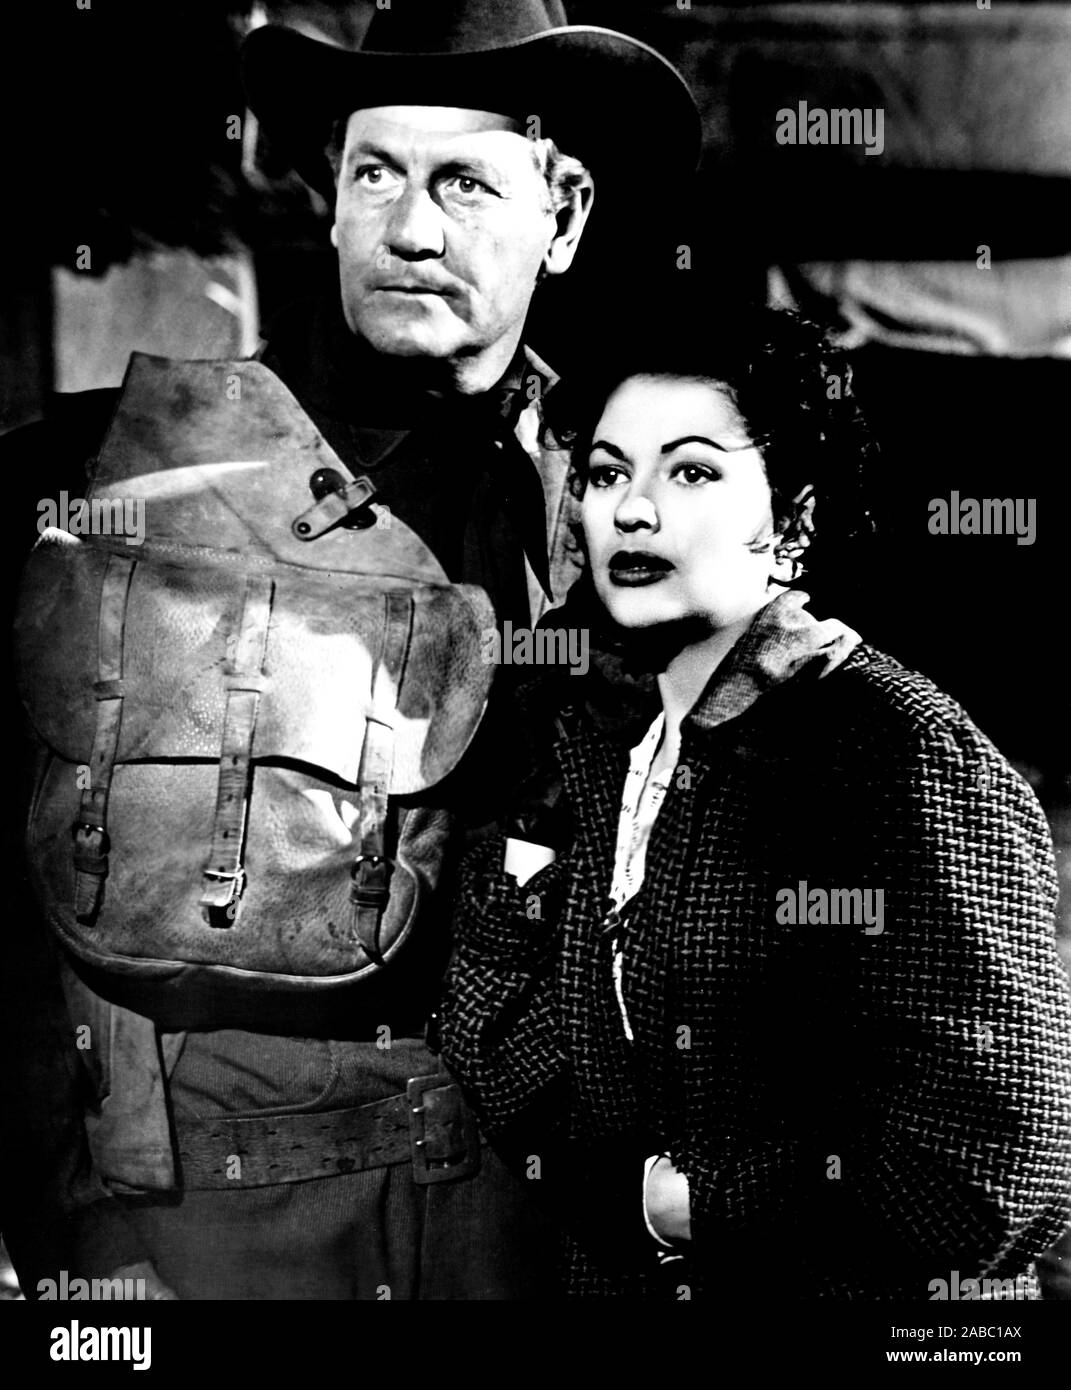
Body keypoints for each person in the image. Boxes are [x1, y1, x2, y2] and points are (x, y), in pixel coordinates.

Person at [2, 2, 699, 1300]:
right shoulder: (129, 478)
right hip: (203, 1223)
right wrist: (71, 1236)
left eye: (463, 182)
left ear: (563, 212)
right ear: (327, 201)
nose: (412, 229)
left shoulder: (617, 503)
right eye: (374, 174)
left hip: (517, 1218)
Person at [439, 304, 1071, 1299]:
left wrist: (693, 1206)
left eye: (690, 471)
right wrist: (608, 1191)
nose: (634, 511)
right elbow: (487, 1011)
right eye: (608, 473)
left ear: (792, 521)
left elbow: (997, 1166)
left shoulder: (902, 755)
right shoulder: (582, 737)